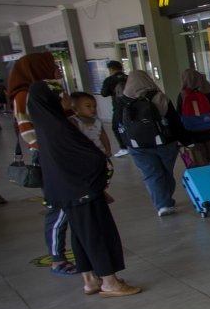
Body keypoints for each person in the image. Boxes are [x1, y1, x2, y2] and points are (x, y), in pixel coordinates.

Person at [27, 81, 140, 297]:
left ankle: (90, 279)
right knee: (96, 233)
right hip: (81, 190)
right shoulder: (60, 127)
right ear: (52, 100)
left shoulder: (48, 124)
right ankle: (110, 281)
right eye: (62, 97)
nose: (67, 101)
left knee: (81, 235)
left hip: (68, 190)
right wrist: (100, 168)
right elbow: (87, 157)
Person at [8, 52, 75, 274]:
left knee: (75, 204)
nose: (57, 68)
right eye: (52, 65)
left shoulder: (51, 90)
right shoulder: (25, 95)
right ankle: (57, 258)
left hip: (64, 152)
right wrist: (54, 150)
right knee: (59, 207)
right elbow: (28, 132)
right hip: (52, 157)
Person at [121, 71, 183, 217]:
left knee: (151, 174)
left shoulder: (123, 100)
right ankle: (165, 199)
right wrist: (184, 140)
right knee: (166, 172)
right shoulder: (160, 97)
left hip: (138, 147)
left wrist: (125, 144)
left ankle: (163, 204)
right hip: (165, 143)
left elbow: (118, 125)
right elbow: (174, 122)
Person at [99, 60, 130, 157]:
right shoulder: (128, 77)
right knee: (130, 124)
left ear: (111, 69)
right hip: (131, 105)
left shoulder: (109, 80)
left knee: (116, 126)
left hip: (118, 106)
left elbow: (104, 93)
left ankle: (124, 147)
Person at [69, 91, 112, 158]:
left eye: (94, 106)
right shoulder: (74, 122)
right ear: (75, 109)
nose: (93, 109)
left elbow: (104, 137)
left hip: (99, 153)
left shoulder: (97, 121)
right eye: (88, 106)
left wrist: (108, 150)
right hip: (84, 155)